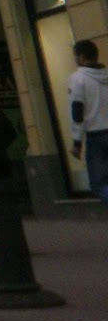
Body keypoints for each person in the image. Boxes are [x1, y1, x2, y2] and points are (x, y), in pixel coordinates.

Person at [68, 39, 108, 204]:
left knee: (99, 184)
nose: (75, 59)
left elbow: (77, 111)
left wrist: (77, 142)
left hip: (96, 137)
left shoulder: (78, 79)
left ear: (82, 57)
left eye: (75, 55)